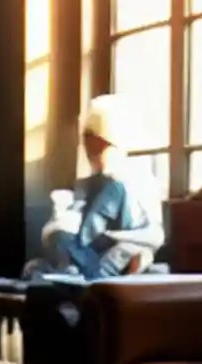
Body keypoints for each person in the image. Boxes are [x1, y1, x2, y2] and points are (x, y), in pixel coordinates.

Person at [23, 94, 164, 281]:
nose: (94, 154)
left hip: (111, 257)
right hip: (78, 256)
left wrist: (136, 255)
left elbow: (149, 236)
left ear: (116, 145)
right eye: (89, 147)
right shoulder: (87, 185)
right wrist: (60, 225)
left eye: (100, 147)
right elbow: (66, 231)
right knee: (36, 266)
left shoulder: (132, 183)